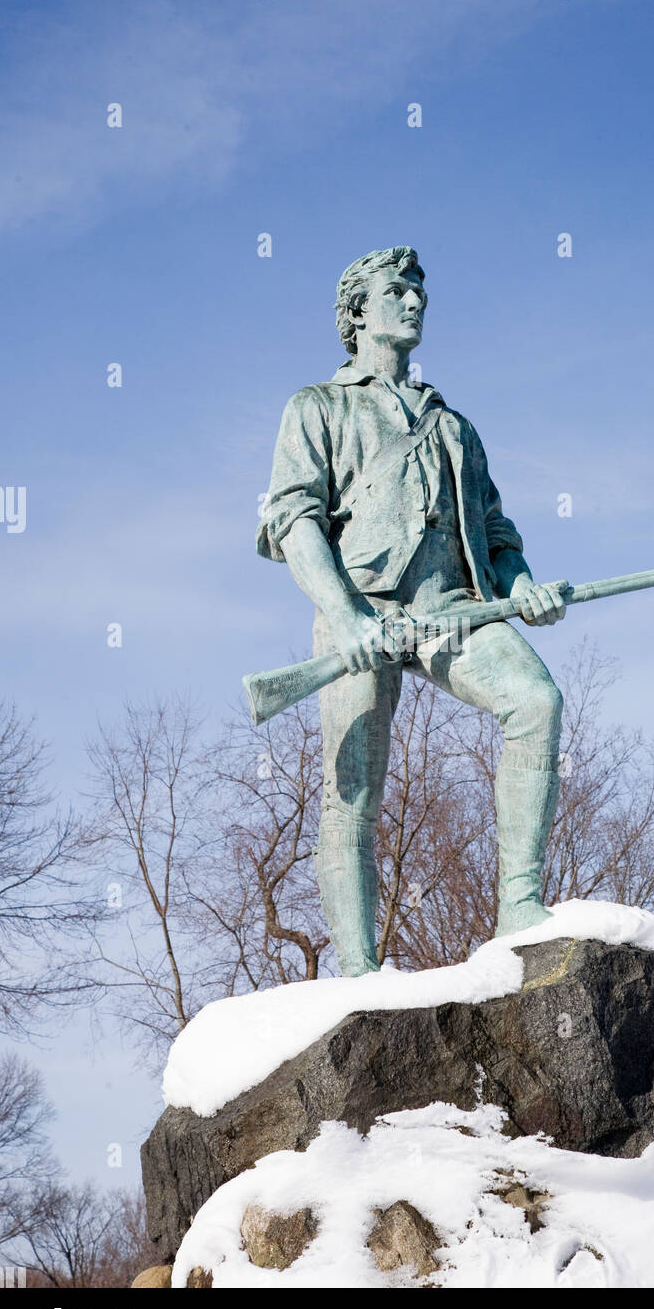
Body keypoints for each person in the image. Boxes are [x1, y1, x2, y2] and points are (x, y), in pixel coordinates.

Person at [257, 247, 567, 975]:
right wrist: (346, 616)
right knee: (353, 791)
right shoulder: (318, 407)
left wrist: (521, 586)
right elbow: (293, 522)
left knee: (536, 700)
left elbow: (495, 534)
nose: (414, 302)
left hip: (453, 608)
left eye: (420, 292)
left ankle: (520, 905)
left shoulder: (453, 424)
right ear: (357, 312)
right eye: (396, 291)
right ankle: (360, 975)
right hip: (360, 612)